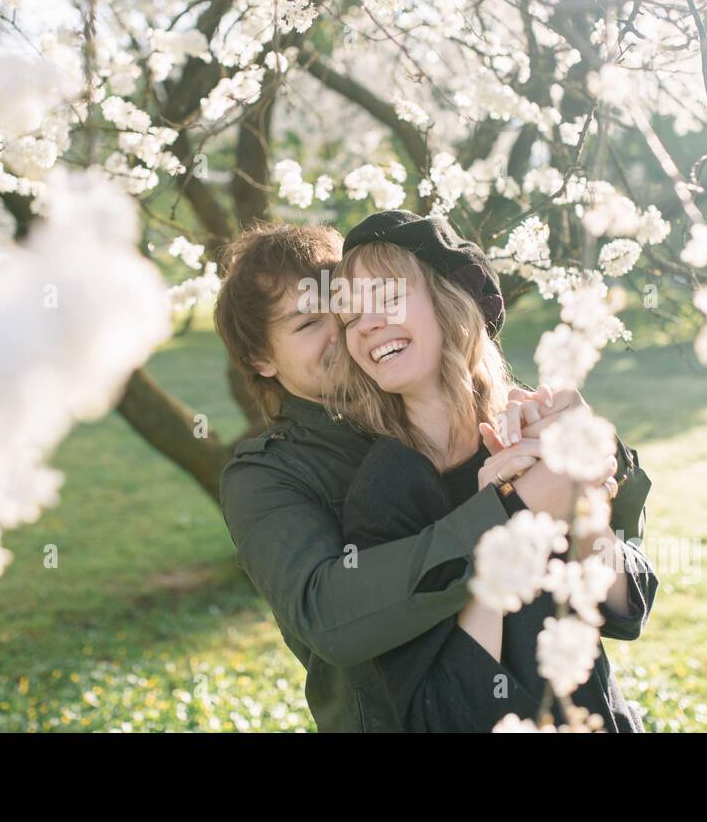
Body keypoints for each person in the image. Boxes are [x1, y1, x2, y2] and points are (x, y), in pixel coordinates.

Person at [213, 222, 652, 731]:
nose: (350, 329)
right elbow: (328, 614)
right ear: (259, 358)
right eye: (312, 322)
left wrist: (597, 455)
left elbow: (623, 597)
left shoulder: (493, 415)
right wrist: (510, 513)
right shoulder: (269, 475)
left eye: (351, 305)